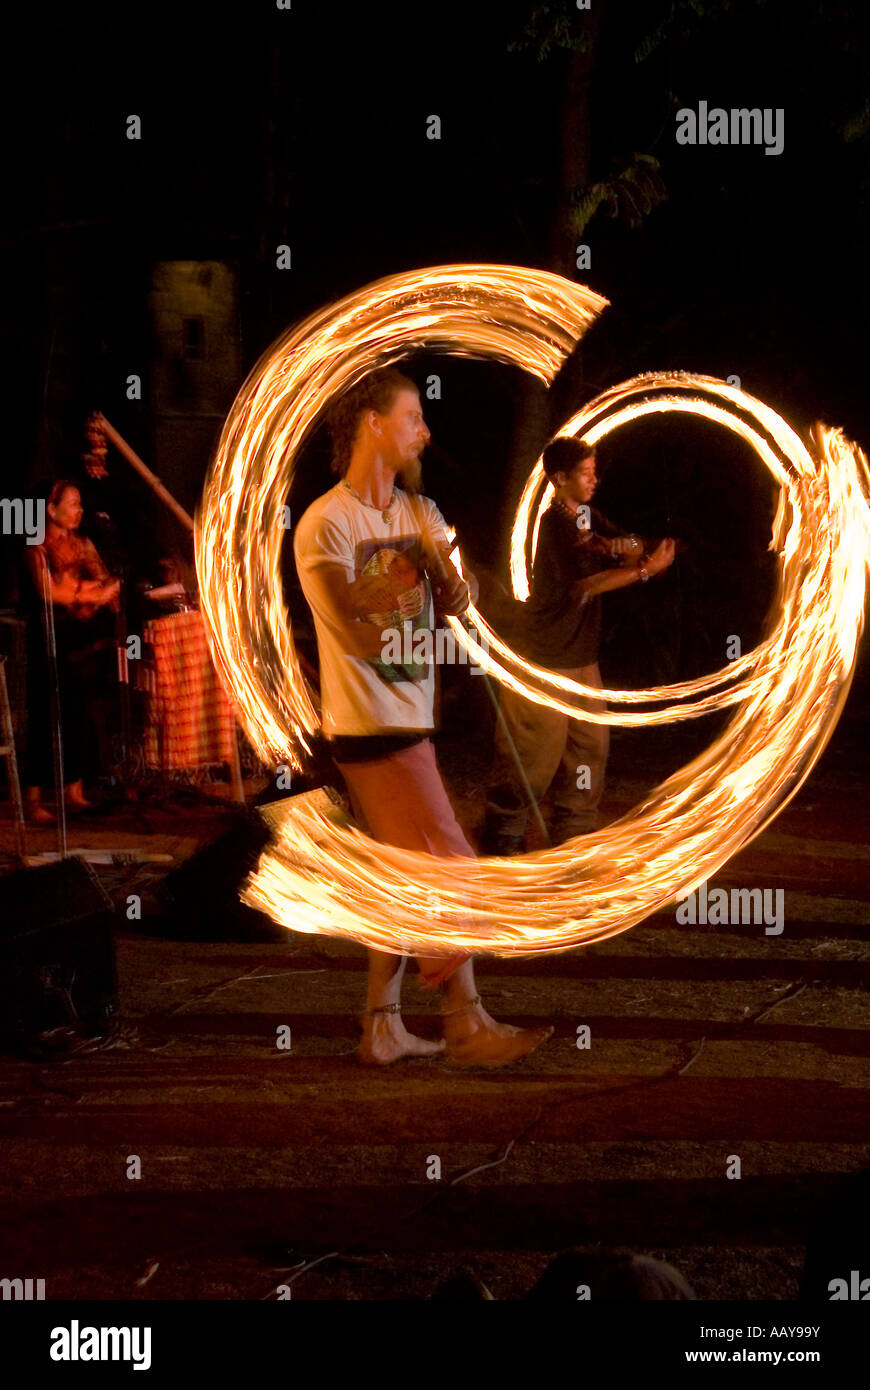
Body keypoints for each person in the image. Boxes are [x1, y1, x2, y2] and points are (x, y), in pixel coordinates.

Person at [293, 366, 554, 1067]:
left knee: (403, 879)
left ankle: (381, 1027)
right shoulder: (325, 524)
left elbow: (462, 602)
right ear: (374, 424)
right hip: (369, 727)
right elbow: (355, 631)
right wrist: (415, 572)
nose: (426, 430)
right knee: (452, 868)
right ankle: (465, 1023)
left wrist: (454, 579)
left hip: (412, 718)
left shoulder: (422, 515)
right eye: (412, 416)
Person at [482, 436, 675, 854]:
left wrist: (621, 549)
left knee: (590, 746)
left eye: (594, 471)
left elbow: (631, 546)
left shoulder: (585, 516)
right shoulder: (554, 523)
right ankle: (504, 830)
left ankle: (575, 828)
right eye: (585, 473)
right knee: (535, 754)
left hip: (582, 655)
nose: (594, 480)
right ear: (559, 478)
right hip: (548, 655)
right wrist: (644, 569)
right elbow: (589, 584)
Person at [24, 479, 121, 822]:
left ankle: (74, 791)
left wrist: (85, 590)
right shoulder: (37, 545)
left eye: (80, 504)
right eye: (73, 504)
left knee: (77, 711)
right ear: (52, 510)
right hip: (47, 636)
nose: (79, 511)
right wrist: (86, 593)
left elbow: (107, 582)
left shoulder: (84, 545)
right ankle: (34, 800)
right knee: (42, 715)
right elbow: (48, 591)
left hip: (80, 638)